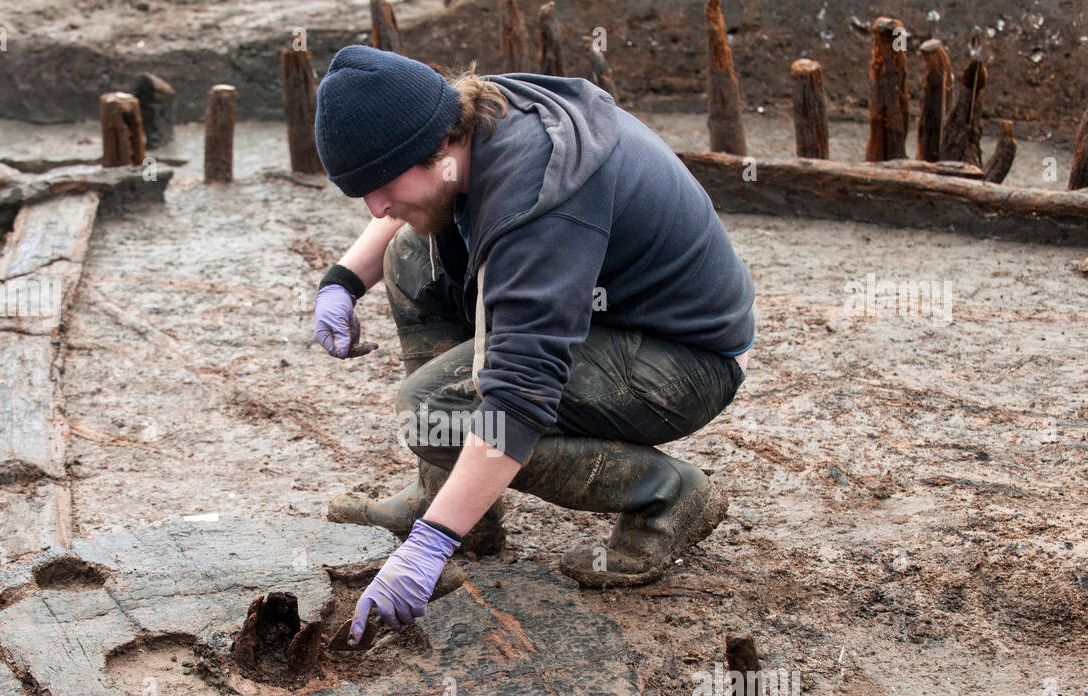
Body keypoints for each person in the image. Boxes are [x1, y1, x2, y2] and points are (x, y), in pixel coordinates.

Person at [311, 46, 755, 643]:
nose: (376, 207)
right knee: (412, 253)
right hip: (608, 313)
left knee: (432, 414)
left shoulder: (539, 199)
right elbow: (405, 200)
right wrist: (342, 281)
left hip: (683, 359)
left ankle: (668, 496)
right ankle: (455, 502)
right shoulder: (475, 113)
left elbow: (519, 398)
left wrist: (429, 547)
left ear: (439, 149)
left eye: (382, 186)